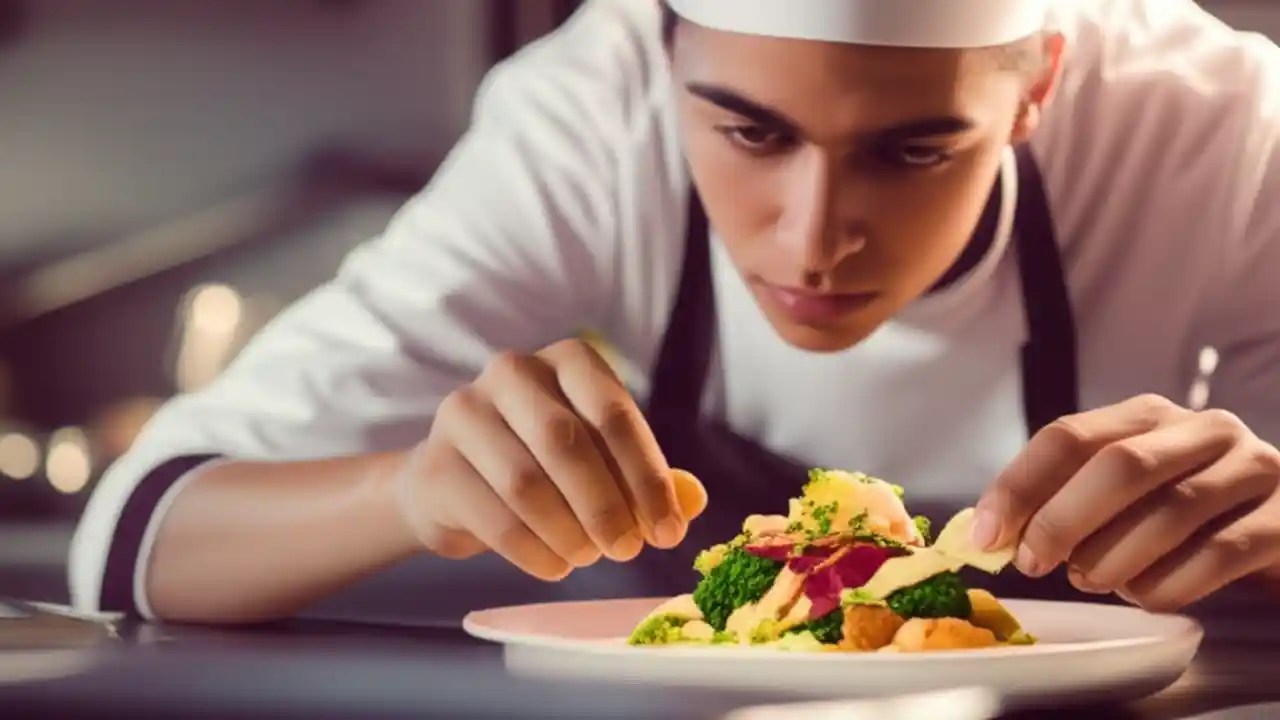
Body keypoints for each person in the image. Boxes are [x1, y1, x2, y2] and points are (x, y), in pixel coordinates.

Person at [69, 0, 1280, 625]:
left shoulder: (1222, 129)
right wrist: (406, 492)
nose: (813, 238)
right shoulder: (587, 122)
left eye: (913, 149)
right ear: (666, 61)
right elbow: (131, 540)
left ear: (1038, 90)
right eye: (749, 133)